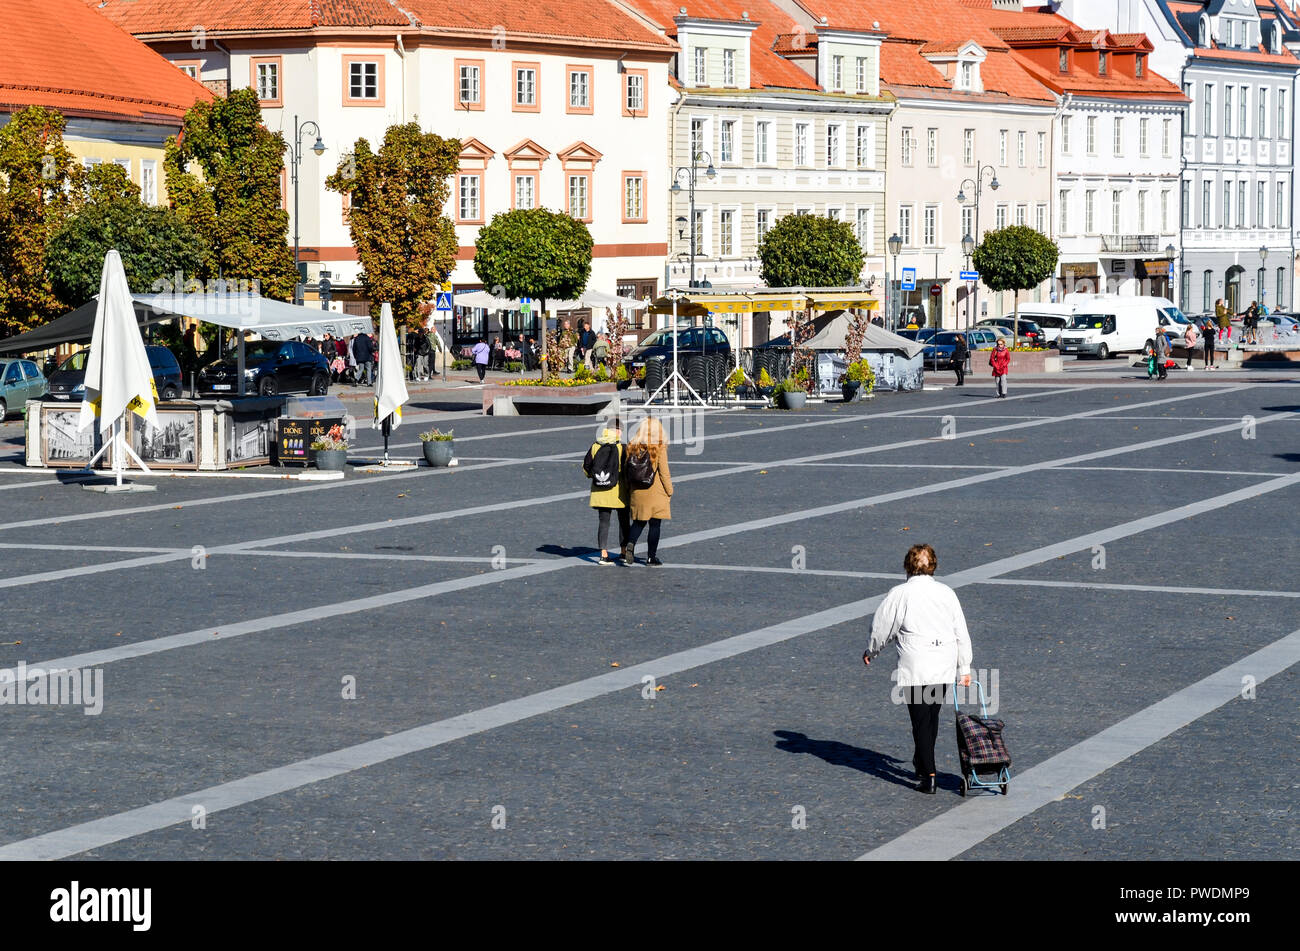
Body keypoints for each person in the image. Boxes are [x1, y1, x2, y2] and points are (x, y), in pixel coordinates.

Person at [862, 544, 973, 794]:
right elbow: (960, 632)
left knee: (921, 722)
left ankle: (929, 775)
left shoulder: (900, 594)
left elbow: (882, 627)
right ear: (933, 565)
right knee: (931, 719)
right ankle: (922, 761)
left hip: (917, 666)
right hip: (943, 664)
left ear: (908, 565)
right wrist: (964, 666)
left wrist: (872, 651)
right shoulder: (947, 593)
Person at [624, 417, 672, 566]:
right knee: (655, 524)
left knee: (638, 523)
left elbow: (627, 471)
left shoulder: (632, 446)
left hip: (637, 491)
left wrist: (628, 490)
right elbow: (664, 472)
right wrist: (669, 490)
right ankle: (651, 558)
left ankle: (630, 545)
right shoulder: (659, 447)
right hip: (655, 491)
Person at [584, 419, 629, 566]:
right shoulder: (622, 447)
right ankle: (623, 552)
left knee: (604, 522)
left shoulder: (596, 446)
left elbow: (586, 468)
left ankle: (603, 554)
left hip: (600, 490)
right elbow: (627, 468)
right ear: (617, 431)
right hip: (619, 491)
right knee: (624, 523)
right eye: (621, 430)